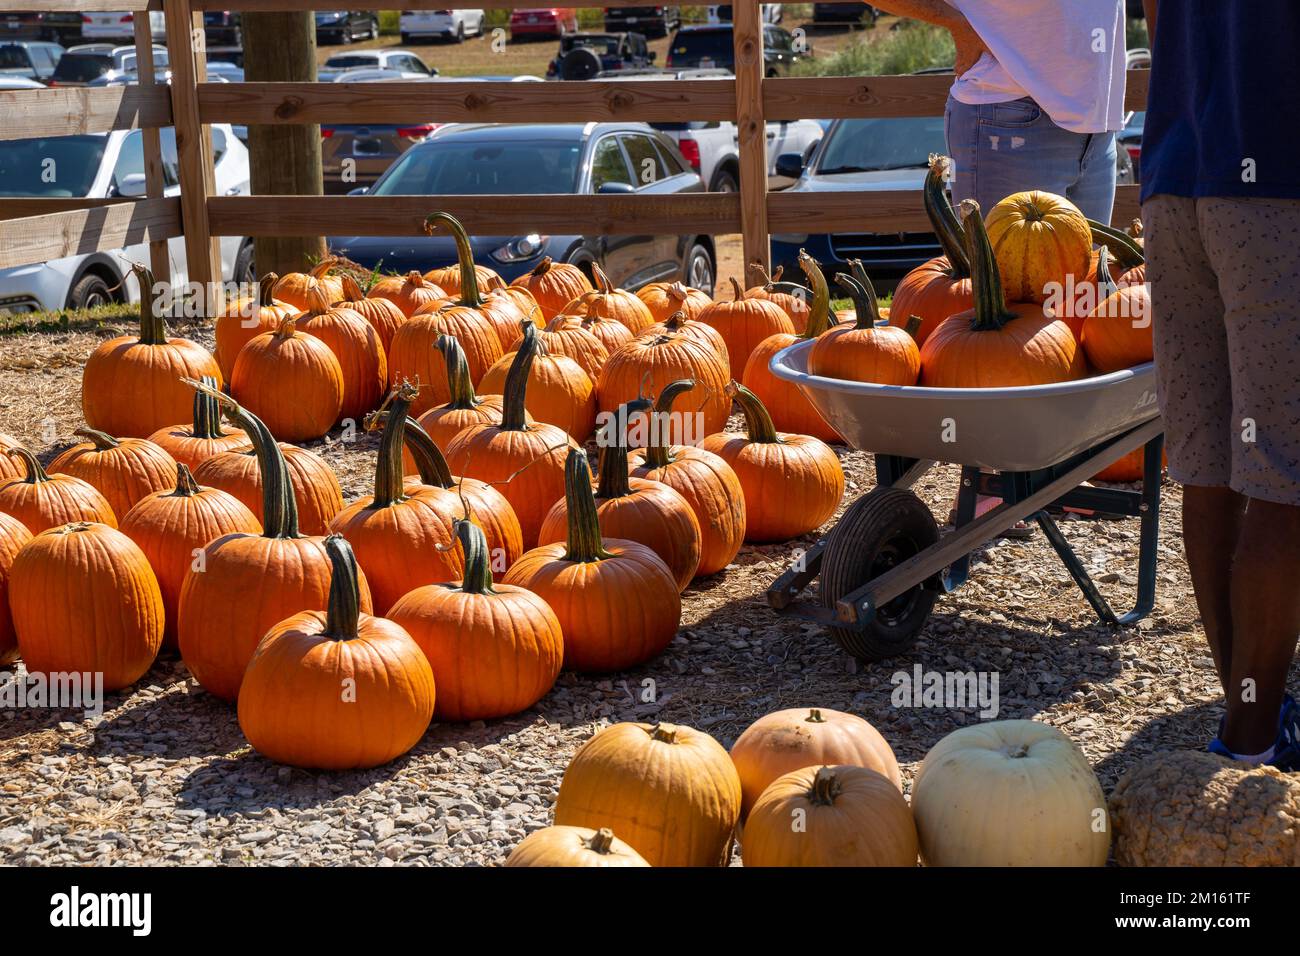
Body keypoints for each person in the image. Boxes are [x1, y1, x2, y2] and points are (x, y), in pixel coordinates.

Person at [1140, 0, 1300, 769]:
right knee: (1284, 475)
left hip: (1176, 173)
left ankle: (1249, 708)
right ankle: (1250, 738)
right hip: (1278, 178)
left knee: (1209, 471)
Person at [867, 0, 1127, 222]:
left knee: (1091, 267)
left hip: (1098, 126)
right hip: (1009, 117)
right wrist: (958, 24)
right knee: (1004, 268)